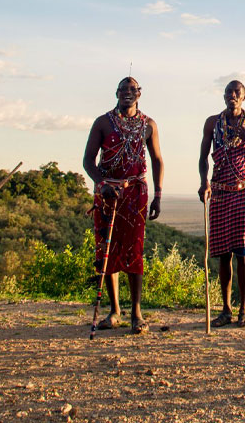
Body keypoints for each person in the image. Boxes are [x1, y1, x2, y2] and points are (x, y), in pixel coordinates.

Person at [82, 77, 164, 335]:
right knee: (107, 249)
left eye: (132, 90)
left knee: (134, 250)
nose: (128, 93)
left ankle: (137, 313)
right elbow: (88, 161)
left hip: (136, 193)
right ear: (116, 93)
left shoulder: (148, 125)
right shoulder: (103, 123)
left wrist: (158, 194)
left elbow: (157, 160)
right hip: (107, 193)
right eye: (123, 90)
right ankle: (114, 311)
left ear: (140, 93)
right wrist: (102, 183)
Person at [197, 80, 245, 328]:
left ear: (244, 97)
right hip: (219, 193)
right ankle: (226, 310)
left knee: (243, 254)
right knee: (223, 255)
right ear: (224, 96)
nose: (233, 95)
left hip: (243, 194)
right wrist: (204, 182)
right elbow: (203, 157)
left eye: (237, 92)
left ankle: (244, 309)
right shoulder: (212, 123)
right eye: (229, 92)